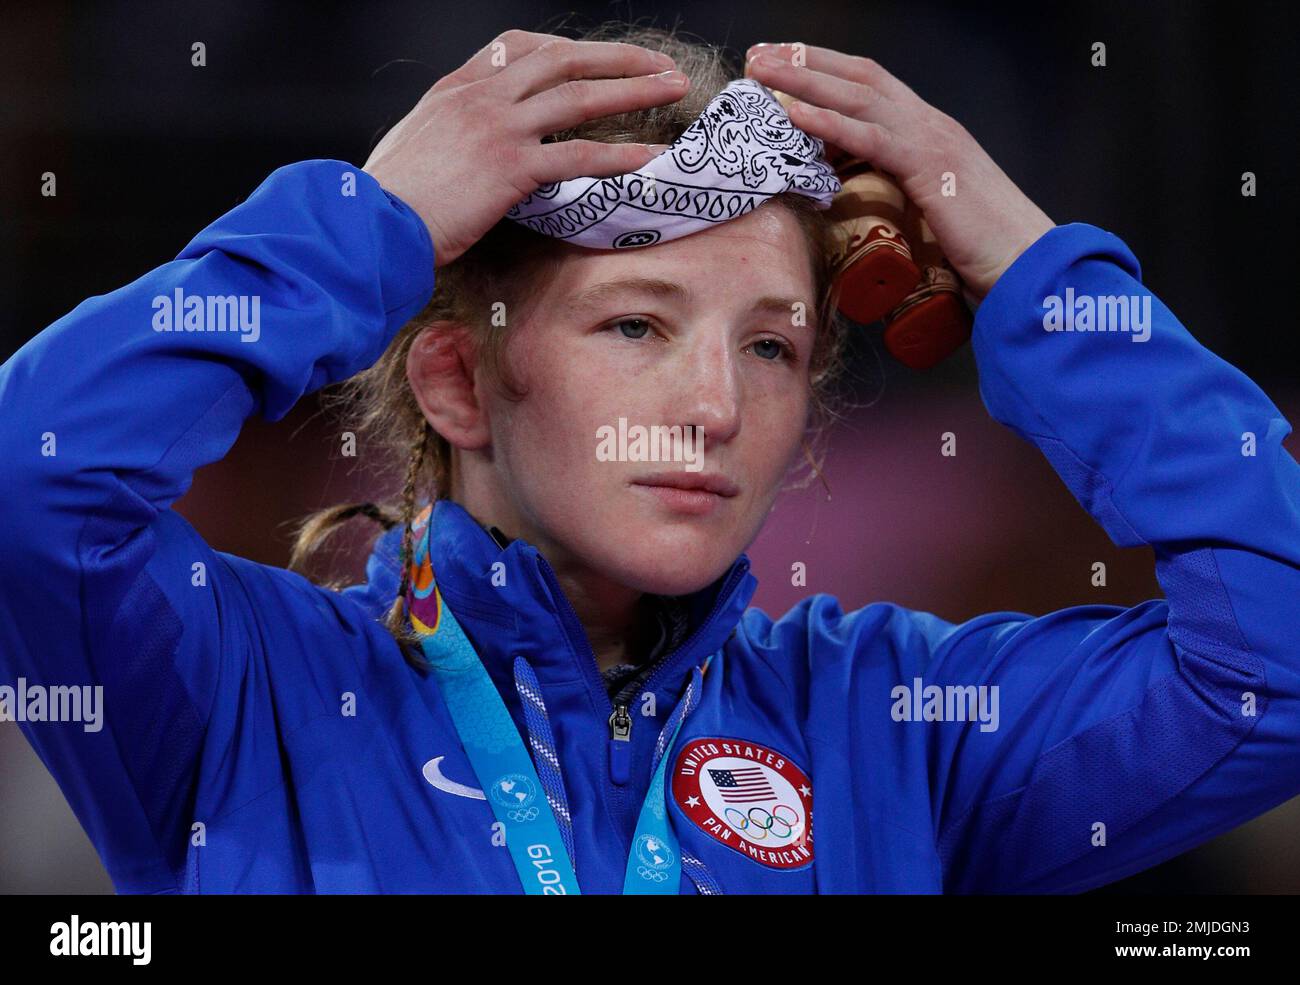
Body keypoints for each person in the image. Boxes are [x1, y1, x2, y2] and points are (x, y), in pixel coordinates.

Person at [1, 23, 1297, 895]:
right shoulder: (249, 696)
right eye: (639, 325)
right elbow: (31, 467)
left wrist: (1036, 275)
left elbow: (1277, 665)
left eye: (774, 346)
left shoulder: (894, 726)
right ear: (458, 380)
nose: (717, 402)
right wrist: (365, 224)